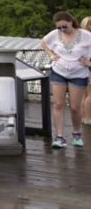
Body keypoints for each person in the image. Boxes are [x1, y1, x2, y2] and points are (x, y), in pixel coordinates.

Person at [41, 11, 91, 148]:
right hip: (59, 72)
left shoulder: (86, 36)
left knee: (75, 107)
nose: (62, 30)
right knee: (58, 104)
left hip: (79, 74)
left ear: (71, 22)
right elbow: (44, 42)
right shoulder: (55, 34)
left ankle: (76, 133)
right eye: (59, 27)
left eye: (65, 27)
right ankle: (60, 137)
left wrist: (89, 63)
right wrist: (51, 55)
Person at [82, 16, 91, 126]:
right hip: (89, 69)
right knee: (89, 95)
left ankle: (84, 117)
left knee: (85, 95)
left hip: (83, 70)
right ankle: (88, 118)